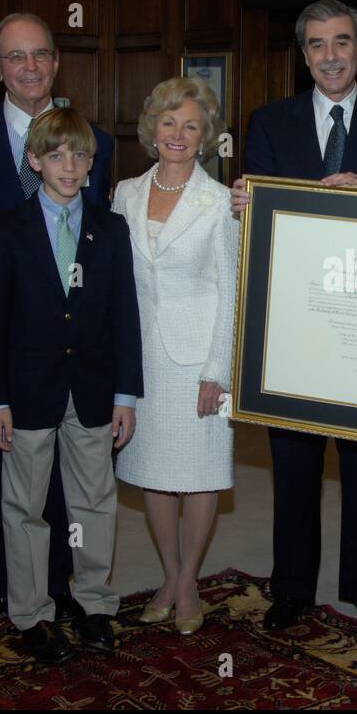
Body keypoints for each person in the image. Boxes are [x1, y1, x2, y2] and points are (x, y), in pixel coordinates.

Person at [231, 0, 357, 632]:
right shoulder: (270, 122)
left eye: (342, 41)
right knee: (292, 465)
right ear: (304, 54)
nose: (331, 55)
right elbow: (260, 220)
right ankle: (291, 588)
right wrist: (245, 201)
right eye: (317, 45)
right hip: (297, 322)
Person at [0, 12, 115, 630]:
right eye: (15, 57)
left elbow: (101, 253)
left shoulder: (91, 142)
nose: (30, 67)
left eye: (41, 54)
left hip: (75, 352)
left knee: (75, 483)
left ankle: (63, 585)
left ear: (55, 62)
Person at [0, 108, 142, 664]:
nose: (69, 166)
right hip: (27, 391)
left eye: (79, 155)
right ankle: (30, 612)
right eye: (56, 155)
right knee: (25, 506)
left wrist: (126, 394)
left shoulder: (111, 228)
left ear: (92, 162)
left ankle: (95, 602)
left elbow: (125, 314)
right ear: (35, 161)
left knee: (95, 500)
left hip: (95, 389)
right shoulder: (6, 230)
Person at [111, 78, 237, 636]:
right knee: (152, 474)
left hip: (196, 359)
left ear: (206, 135)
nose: (178, 134)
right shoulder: (124, 193)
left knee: (200, 474)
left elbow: (231, 289)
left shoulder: (220, 201)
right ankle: (169, 575)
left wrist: (219, 369)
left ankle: (186, 585)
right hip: (140, 357)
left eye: (191, 125)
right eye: (169, 123)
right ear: (152, 130)